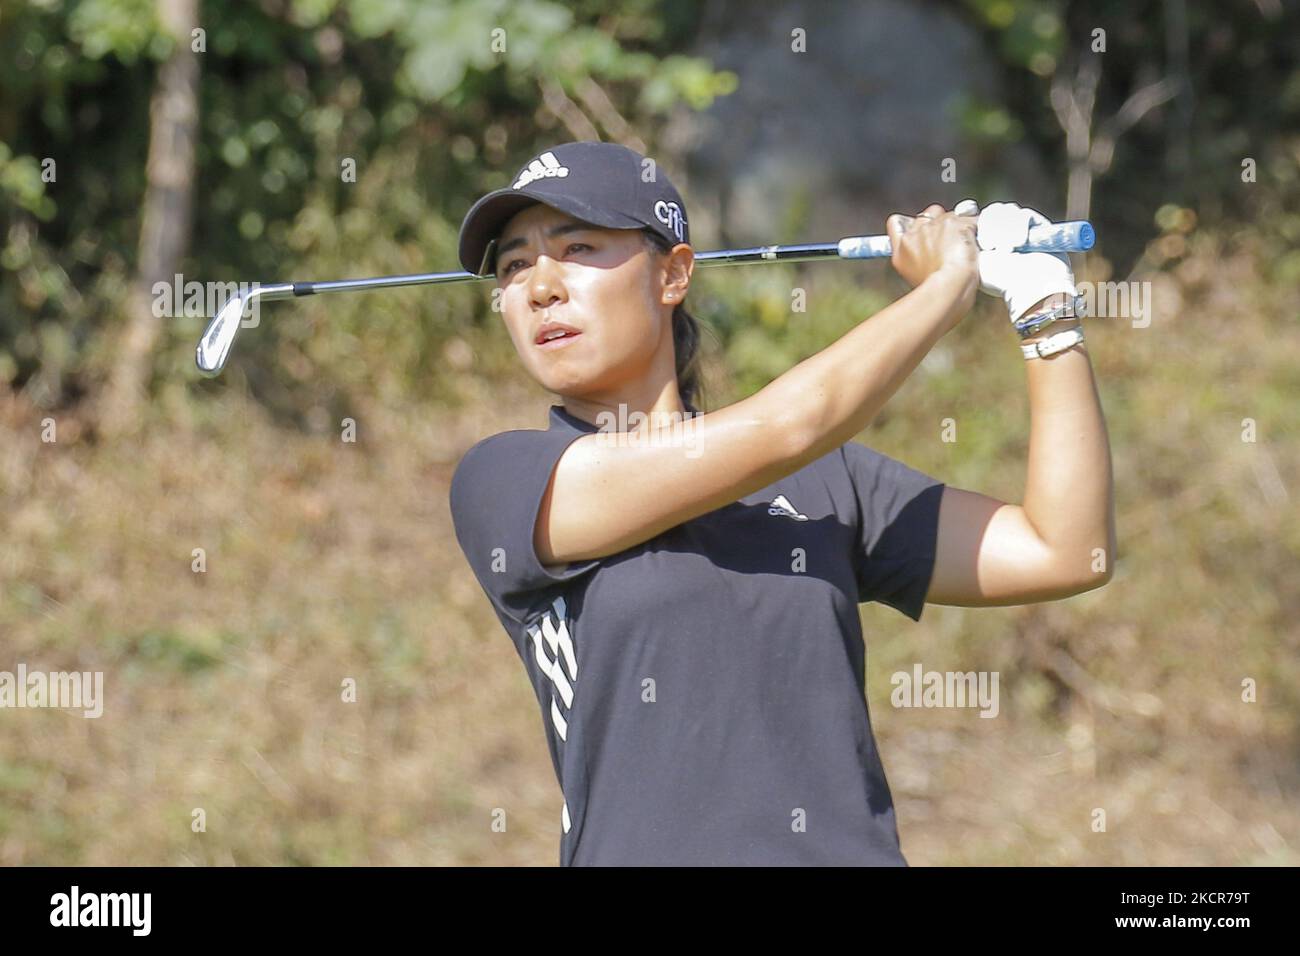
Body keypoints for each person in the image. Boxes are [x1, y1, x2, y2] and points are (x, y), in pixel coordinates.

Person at [448, 140, 1115, 866]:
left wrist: (1046, 312)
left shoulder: (823, 480)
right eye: (514, 266)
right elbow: (788, 426)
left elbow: (1065, 551)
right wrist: (943, 290)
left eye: (578, 247)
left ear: (672, 274)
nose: (540, 287)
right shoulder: (507, 481)